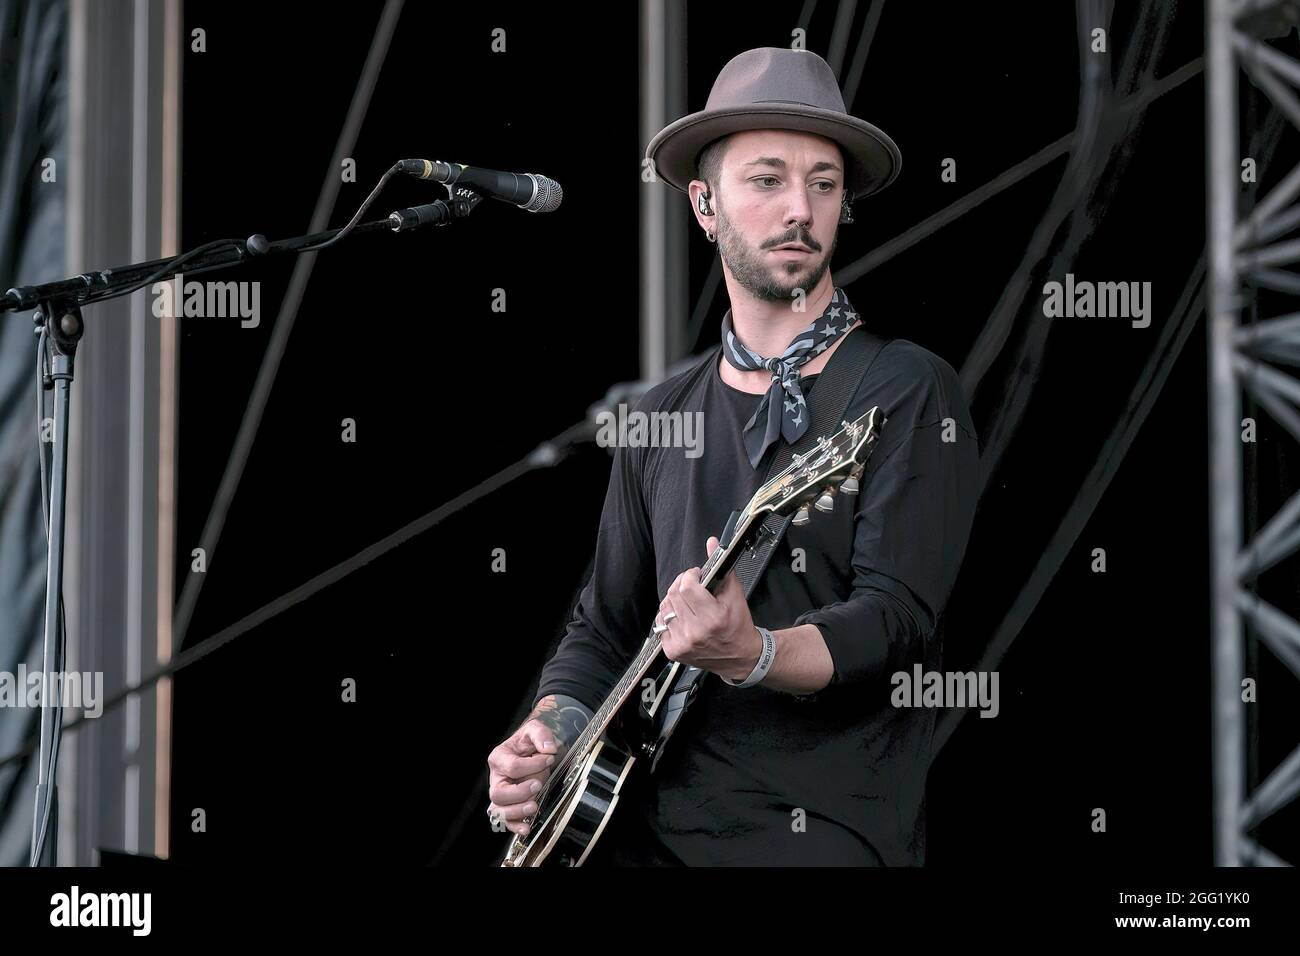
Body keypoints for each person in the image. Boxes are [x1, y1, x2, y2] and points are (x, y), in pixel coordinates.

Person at [486, 46, 980, 866]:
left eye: (824, 184)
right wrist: (544, 733)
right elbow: (603, 628)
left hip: (818, 832)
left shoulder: (903, 387)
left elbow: (893, 622)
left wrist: (751, 654)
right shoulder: (661, 413)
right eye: (768, 180)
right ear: (704, 203)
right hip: (639, 828)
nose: (800, 208)